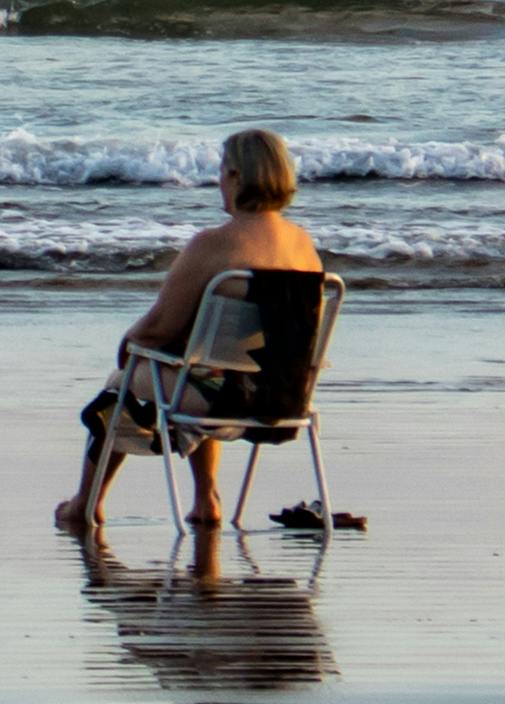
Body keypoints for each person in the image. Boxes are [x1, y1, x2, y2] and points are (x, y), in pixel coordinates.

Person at [53, 127, 325, 558]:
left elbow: (157, 329)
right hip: (284, 399)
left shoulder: (214, 245)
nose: (218, 180)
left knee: (121, 380)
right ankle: (206, 499)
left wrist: (128, 343)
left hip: (220, 401)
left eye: (221, 171)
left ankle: (85, 504)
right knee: (206, 365)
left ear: (236, 176)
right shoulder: (302, 246)